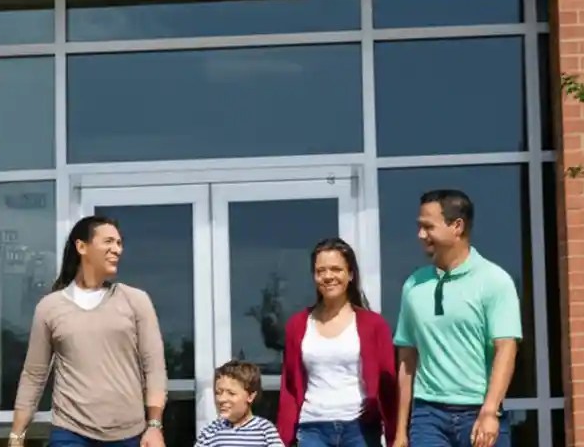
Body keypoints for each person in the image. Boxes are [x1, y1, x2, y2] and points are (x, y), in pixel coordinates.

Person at [9, 215, 168, 447]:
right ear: (82, 246)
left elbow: (154, 367)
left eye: (119, 243)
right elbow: (34, 374)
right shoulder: (50, 307)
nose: (117, 249)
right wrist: (16, 435)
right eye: (109, 242)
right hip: (70, 432)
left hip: (128, 434)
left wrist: (154, 426)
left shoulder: (135, 300)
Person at [392, 189, 522, 447]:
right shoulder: (413, 286)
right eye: (419, 227)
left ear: (457, 226)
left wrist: (490, 412)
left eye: (428, 227)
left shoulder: (494, 281)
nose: (421, 235)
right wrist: (400, 432)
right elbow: (407, 360)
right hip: (427, 415)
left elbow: (506, 348)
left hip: (478, 412)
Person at [277, 237, 399, 447]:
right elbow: (289, 387)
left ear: (350, 274)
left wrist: (394, 435)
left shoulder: (374, 325)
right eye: (320, 270)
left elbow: (388, 385)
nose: (328, 276)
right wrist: (283, 438)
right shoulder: (297, 325)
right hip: (312, 427)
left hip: (360, 428)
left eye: (336, 269)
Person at [195, 360, 285, 447]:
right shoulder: (211, 430)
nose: (221, 399)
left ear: (250, 396)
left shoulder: (265, 430)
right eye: (218, 393)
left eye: (231, 393)